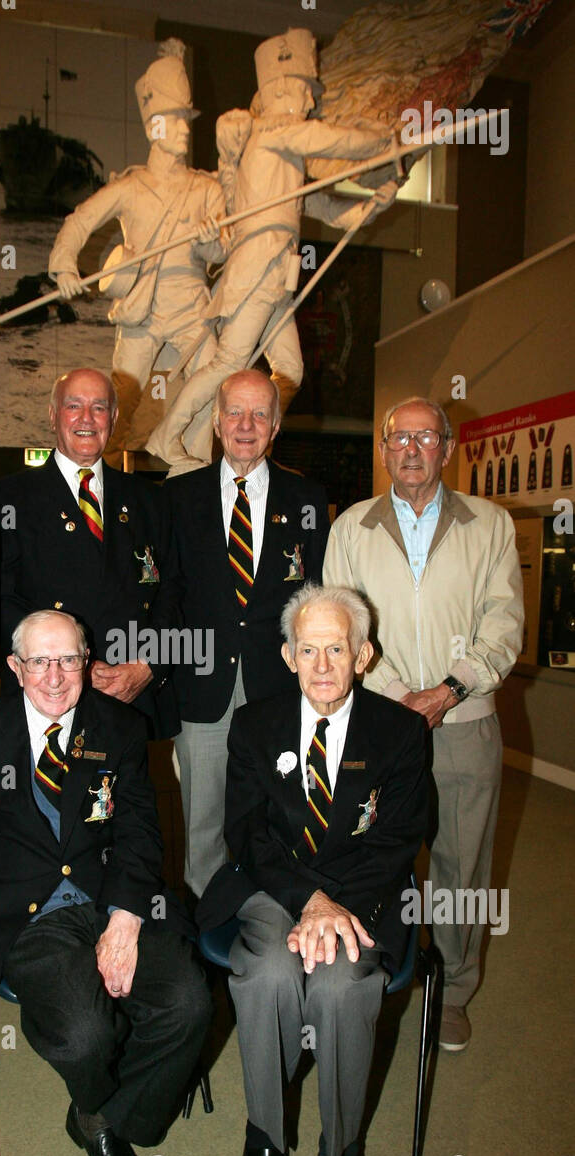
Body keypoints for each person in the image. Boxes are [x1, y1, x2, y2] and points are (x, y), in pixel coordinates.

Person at [0, 610, 211, 1156]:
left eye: (69, 660)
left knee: (190, 1003)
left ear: (87, 661)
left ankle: (98, 1119)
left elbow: (139, 833)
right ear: (14, 667)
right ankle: (106, 1124)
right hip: (26, 917)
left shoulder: (121, 727)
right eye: (39, 661)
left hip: (114, 898)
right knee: (85, 1035)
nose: (55, 677)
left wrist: (127, 919)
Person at [198, 585, 429, 1156]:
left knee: (338, 985)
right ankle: (265, 1142)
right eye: (308, 649)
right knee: (266, 971)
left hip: (364, 891)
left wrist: (335, 904)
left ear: (364, 655)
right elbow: (245, 833)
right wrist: (308, 900)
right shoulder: (254, 725)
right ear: (287, 656)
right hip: (275, 888)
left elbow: (399, 839)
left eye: (337, 648)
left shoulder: (400, 731)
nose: (322, 664)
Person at [324, 397, 524, 1052]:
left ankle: (455, 989)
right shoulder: (351, 527)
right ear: (383, 450)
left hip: (464, 721)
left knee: (461, 869)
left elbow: (503, 622)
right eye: (398, 438)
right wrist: (391, 696)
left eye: (424, 437)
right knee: (371, 857)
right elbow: (339, 623)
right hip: (376, 728)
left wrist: (447, 690)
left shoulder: (489, 525)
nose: (411, 448)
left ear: (446, 447)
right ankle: (367, 978)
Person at [147, 27, 398, 469]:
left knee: (291, 370)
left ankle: (251, 437)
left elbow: (332, 209)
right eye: (304, 91)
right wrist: (384, 139)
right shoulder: (273, 135)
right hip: (258, 265)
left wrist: (375, 205)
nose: (308, 103)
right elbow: (335, 141)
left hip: (279, 273)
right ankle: (168, 436)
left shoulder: (289, 159)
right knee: (228, 363)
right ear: (279, 89)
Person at [160, 369, 329, 897]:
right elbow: (163, 596)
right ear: (216, 420)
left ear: (276, 425)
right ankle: (211, 949)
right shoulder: (175, 498)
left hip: (277, 692)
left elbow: (318, 596)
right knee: (203, 829)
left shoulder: (306, 499)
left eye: (260, 414)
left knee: (275, 822)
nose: (246, 424)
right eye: (235, 411)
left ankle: (270, 939)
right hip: (201, 691)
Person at [48, 38, 225, 460]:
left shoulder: (207, 188)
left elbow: (222, 254)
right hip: (141, 312)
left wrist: (211, 242)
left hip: (190, 309)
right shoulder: (129, 187)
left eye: (186, 120)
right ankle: (105, 490)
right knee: (117, 406)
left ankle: (193, 476)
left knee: (213, 387)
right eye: (175, 120)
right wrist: (65, 268)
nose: (185, 128)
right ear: (153, 127)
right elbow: (79, 222)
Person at [0, 368, 175, 737]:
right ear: (53, 415)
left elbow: (173, 591)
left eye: (99, 407)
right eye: (74, 405)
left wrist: (149, 664)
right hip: (42, 698)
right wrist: (72, 665)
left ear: (114, 419)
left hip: (130, 698)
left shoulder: (151, 500)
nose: (86, 418)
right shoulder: (7, 500)